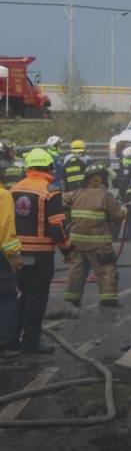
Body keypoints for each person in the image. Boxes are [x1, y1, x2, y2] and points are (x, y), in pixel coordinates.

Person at [7, 148, 69, 354]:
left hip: (15, 253)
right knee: (37, 297)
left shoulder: (14, 188)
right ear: (49, 167)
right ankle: (31, 343)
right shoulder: (50, 190)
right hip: (41, 254)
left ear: (28, 167)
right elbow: (57, 227)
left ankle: (12, 338)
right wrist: (67, 249)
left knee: (22, 294)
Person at [62, 163, 126, 308]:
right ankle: (108, 299)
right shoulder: (106, 196)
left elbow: (64, 203)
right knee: (106, 268)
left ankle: (72, 299)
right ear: (103, 178)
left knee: (76, 271)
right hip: (99, 244)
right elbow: (117, 216)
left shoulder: (76, 193)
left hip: (77, 243)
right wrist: (124, 210)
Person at [0, 185, 21, 357]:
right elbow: (6, 226)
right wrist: (14, 254)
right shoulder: (3, 195)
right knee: (6, 297)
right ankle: (3, 343)